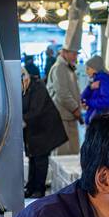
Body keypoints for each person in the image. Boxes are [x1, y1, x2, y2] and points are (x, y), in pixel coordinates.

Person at [22, 66, 67, 198]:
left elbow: (37, 110)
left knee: (40, 158)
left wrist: (22, 119)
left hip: (45, 129)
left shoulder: (38, 87)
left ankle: (39, 189)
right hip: (33, 129)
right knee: (32, 157)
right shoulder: (25, 88)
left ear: (25, 79)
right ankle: (30, 187)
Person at [47, 45, 83, 155]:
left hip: (68, 117)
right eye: (74, 53)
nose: (75, 57)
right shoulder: (59, 68)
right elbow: (62, 93)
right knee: (62, 155)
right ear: (64, 52)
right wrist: (75, 108)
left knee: (71, 153)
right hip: (62, 117)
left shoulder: (67, 67)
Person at [81, 56, 109, 124]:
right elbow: (82, 98)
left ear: (95, 69)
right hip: (95, 122)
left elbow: (107, 101)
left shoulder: (104, 80)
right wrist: (89, 88)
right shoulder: (96, 80)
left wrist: (88, 102)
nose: (86, 72)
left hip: (99, 122)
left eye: (88, 69)